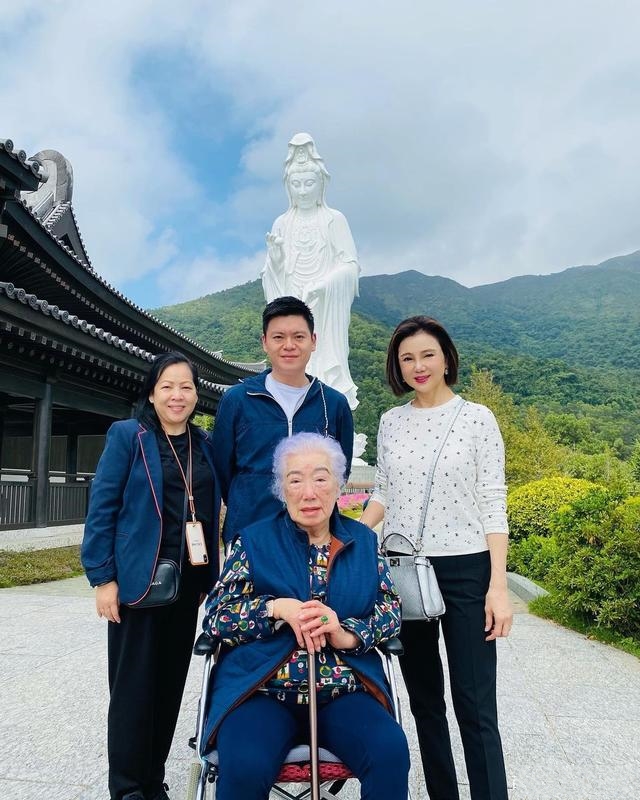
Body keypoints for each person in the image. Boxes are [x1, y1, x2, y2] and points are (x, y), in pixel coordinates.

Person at [201, 432, 410, 800]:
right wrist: (275, 609)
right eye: (295, 480)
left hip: (344, 691)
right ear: (281, 488)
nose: (308, 492)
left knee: (390, 751)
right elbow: (217, 615)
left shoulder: (363, 542)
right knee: (245, 765)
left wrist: (347, 633)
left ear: (339, 484)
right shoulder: (253, 541)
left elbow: (390, 609)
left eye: (320, 477)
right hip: (263, 690)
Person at [360, 316, 513, 800]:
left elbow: (494, 502)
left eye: (427, 354)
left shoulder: (477, 418)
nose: (418, 365)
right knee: (426, 702)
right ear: (397, 367)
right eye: (407, 358)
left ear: (446, 357)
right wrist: (352, 533)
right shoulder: (390, 421)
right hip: (405, 569)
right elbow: (383, 492)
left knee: (474, 703)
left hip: (466, 568)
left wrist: (498, 585)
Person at [81, 352, 221, 800]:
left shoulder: (204, 444)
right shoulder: (129, 436)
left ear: (197, 394)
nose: (178, 395)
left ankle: (152, 780)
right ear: (152, 391)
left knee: (166, 689)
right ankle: (126, 788)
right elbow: (102, 508)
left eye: (186, 387)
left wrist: (206, 579)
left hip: (186, 589)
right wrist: (103, 578)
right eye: (168, 386)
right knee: (132, 692)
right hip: (137, 585)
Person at [212, 295, 354, 544]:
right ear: (264, 342)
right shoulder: (238, 400)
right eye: (278, 337)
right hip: (250, 535)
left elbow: (341, 471)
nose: (289, 345)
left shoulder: (333, 404)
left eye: (299, 337)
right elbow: (222, 471)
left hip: (315, 537)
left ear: (313, 341)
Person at [261, 132, 360, 408]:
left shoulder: (333, 220)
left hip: (325, 308)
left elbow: (350, 266)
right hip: (292, 302)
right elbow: (272, 275)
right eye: (297, 184)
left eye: (309, 183)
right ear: (288, 187)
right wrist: (277, 258)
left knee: (325, 369)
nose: (303, 190)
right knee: (292, 357)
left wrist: (325, 284)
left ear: (321, 184)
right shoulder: (282, 222)